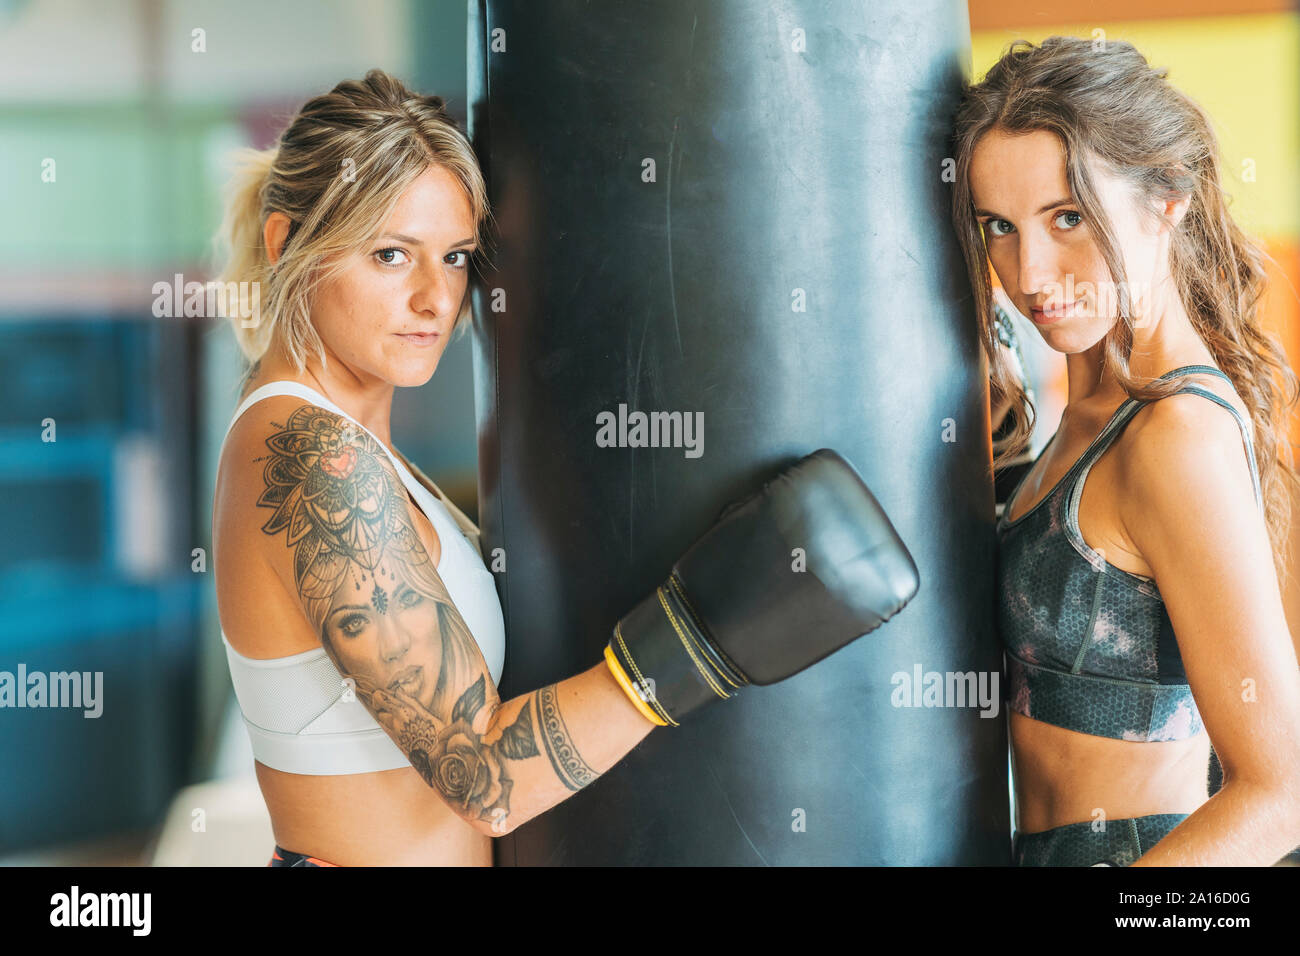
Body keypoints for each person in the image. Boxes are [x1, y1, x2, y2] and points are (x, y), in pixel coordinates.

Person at [209, 69, 918, 866]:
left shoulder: (351, 445)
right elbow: (483, 780)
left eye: (453, 258)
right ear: (283, 245)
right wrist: (705, 637)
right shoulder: (314, 458)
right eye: (389, 254)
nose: (434, 299)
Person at [952, 36, 1300, 865]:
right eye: (998, 226)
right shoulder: (1086, 413)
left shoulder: (1177, 434)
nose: (1029, 272)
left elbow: (1282, 794)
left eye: (1067, 217)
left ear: (1168, 197)